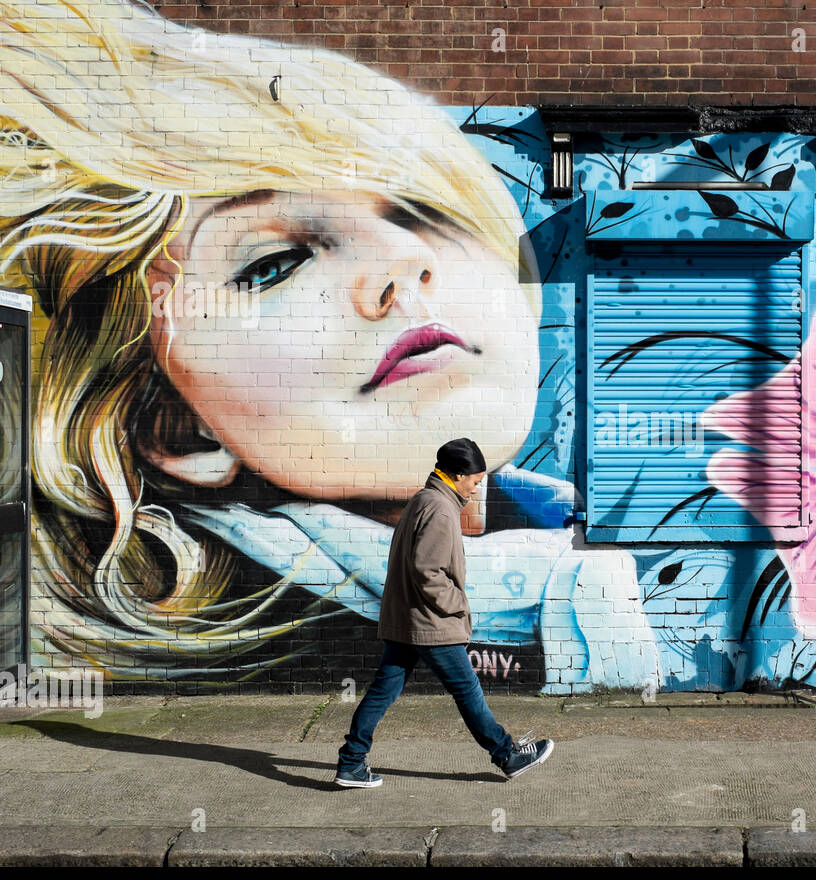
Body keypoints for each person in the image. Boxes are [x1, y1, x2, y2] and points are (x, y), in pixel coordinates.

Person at [0, 0, 661, 694]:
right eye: (273, 264)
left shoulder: (572, 534)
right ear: (179, 429)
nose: (403, 261)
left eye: (423, 211)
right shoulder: (238, 670)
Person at [335, 438, 554, 785]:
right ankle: (507, 755)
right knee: (467, 691)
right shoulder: (439, 508)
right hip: (430, 622)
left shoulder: (426, 499)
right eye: (475, 481)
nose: (476, 488)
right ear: (458, 475)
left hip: (408, 619)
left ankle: (351, 762)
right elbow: (427, 571)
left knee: (383, 690)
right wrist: (458, 605)